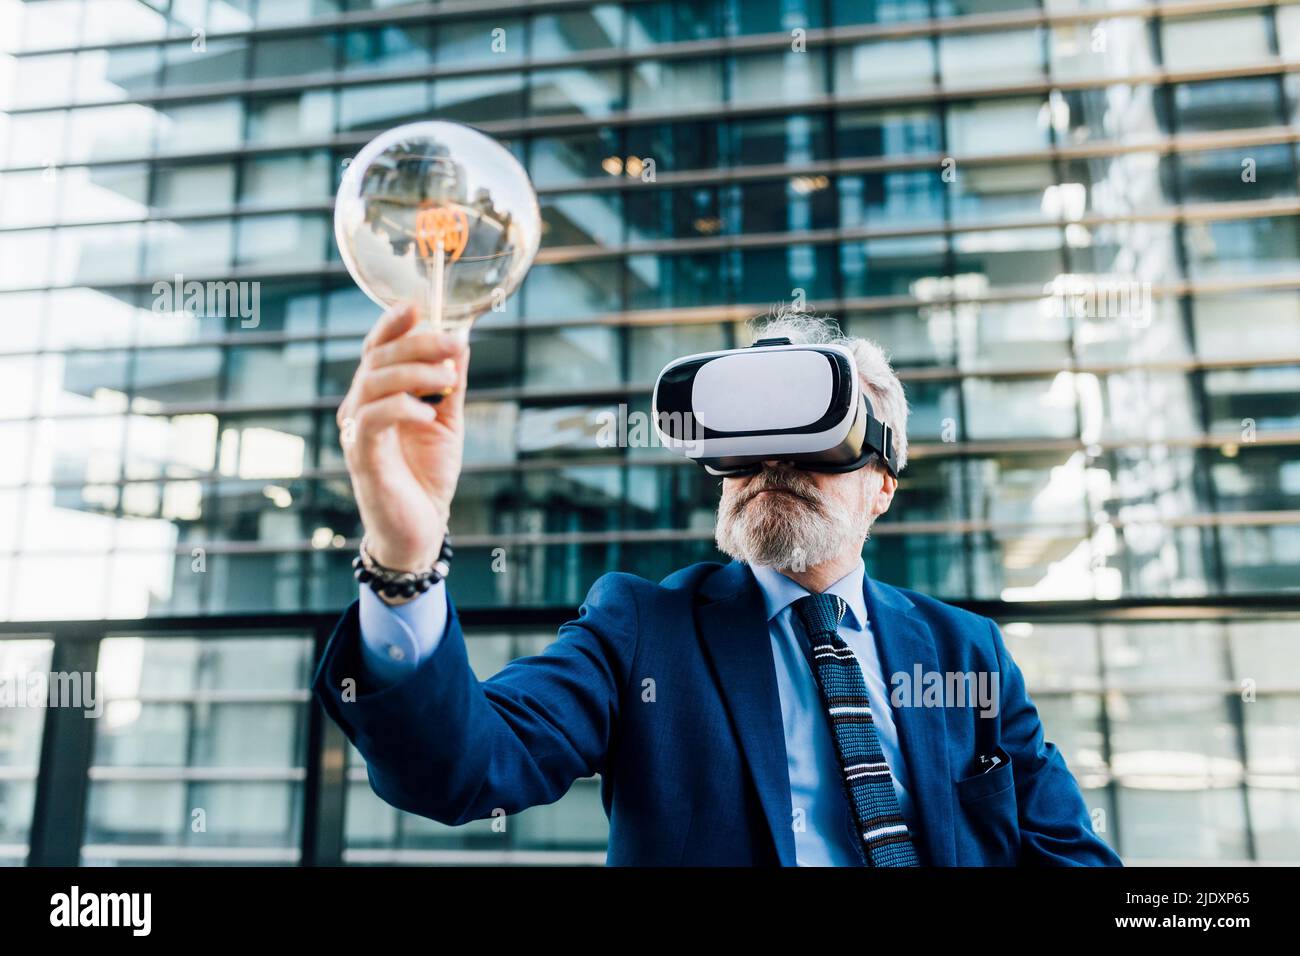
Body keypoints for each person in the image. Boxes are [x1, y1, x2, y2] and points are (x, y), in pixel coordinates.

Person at [313, 304, 1121, 867]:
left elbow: (1065, 853)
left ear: (883, 482)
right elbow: (464, 768)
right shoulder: (639, 629)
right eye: (744, 441)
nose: (772, 464)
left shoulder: (963, 649)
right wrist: (404, 556)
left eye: (815, 438)